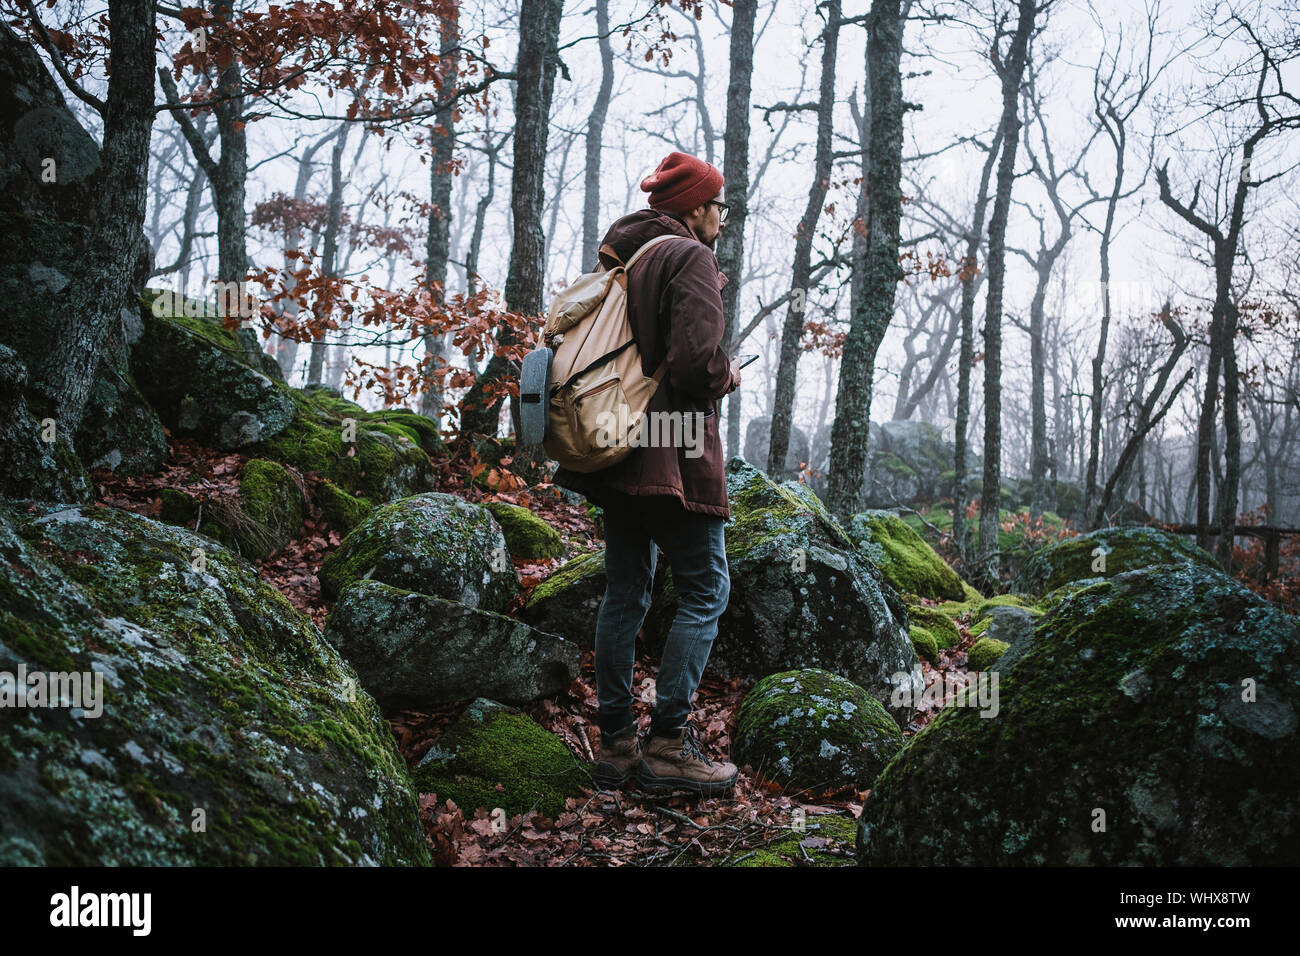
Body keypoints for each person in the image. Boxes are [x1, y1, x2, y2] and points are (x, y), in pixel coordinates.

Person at [550, 150, 742, 797]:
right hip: (671, 452)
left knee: (626, 592)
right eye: (718, 204)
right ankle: (668, 748)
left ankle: (615, 747)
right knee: (705, 590)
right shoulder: (689, 257)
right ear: (695, 207)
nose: (723, 216)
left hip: (617, 448)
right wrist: (728, 373)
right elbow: (694, 366)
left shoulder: (629, 255)